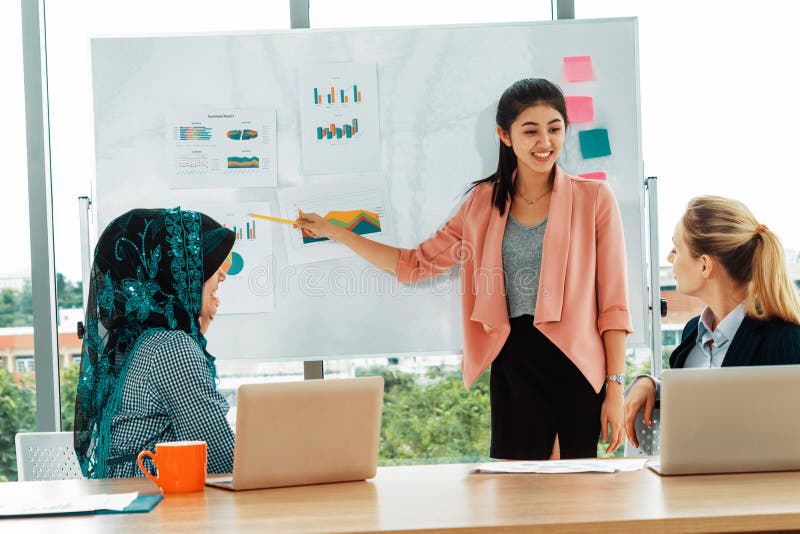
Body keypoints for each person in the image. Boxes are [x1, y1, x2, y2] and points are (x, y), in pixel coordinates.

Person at [297, 78, 632, 460]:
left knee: (575, 503)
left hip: (576, 365)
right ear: (504, 135)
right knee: (518, 503)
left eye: (555, 129)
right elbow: (415, 265)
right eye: (530, 131)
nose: (545, 142)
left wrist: (615, 388)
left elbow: (614, 305)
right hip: (513, 361)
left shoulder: (594, 199)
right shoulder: (482, 203)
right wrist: (336, 233)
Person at [624, 196, 800, 448]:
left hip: (756, 486)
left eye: (676, 249)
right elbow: (704, 399)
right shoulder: (692, 334)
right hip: (690, 484)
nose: (669, 257)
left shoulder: (786, 341)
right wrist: (651, 383)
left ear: (705, 265)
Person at [74, 208, 237, 478]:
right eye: (203, 262)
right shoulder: (170, 347)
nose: (222, 276)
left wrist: (195, 330)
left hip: (132, 511)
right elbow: (221, 461)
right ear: (174, 272)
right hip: (155, 512)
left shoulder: (131, 341)